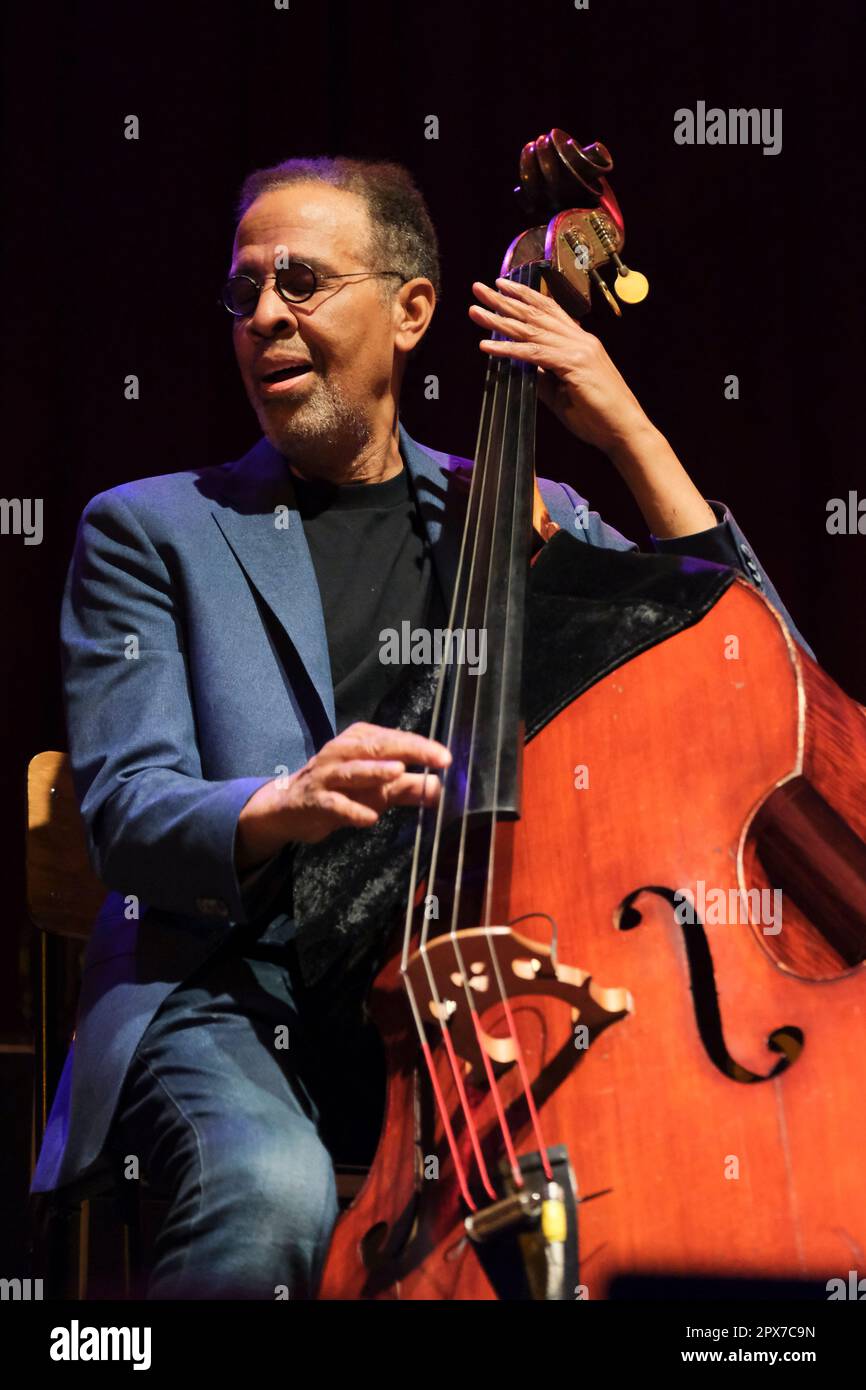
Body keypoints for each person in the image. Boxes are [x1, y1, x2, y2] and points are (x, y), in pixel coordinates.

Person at [30, 156, 812, 1299]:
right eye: (242, 292)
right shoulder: (150, 532)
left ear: (410, 312)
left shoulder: (529, 518)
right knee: (269, 1193)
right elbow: (126, 811)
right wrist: (279, 804)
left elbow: (760, 675)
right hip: (241, 992)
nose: (261, 319)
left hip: (492, 992)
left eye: (299, 282)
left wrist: (628, 434)